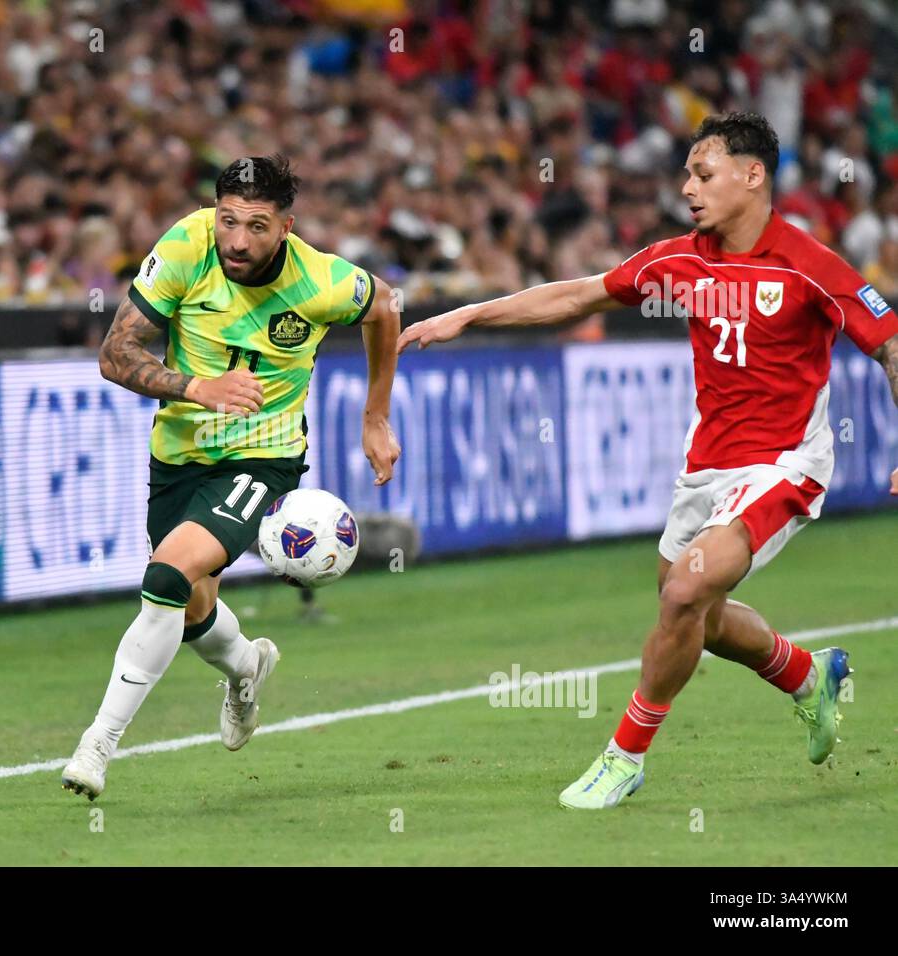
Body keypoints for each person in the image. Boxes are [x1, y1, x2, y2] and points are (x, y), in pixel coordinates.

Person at [398, 112, 898, 810]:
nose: (687, 187)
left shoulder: (811, 267)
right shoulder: (680, 260)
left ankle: (623, 756)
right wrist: (471, 314)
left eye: (703, 173)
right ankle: (810, 676)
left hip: (786, 464)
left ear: (753, 176)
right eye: (687, 174)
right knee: (700, 613)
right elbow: (579, 293)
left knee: (685, 592)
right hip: (707, 465)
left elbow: (890, 343)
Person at [62, 155, 402, 800]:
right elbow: (115, 354)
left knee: (164, 577)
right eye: (228, 222)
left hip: (262, 455)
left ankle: (97, 746)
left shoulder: (324, 281)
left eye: (257, 226)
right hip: (179, 453)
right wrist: (198, 387)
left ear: (286, 227)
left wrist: (375, 417)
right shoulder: (187, 246)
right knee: (191, 608)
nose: (238, 240)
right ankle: (247, 665)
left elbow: (386, 307)